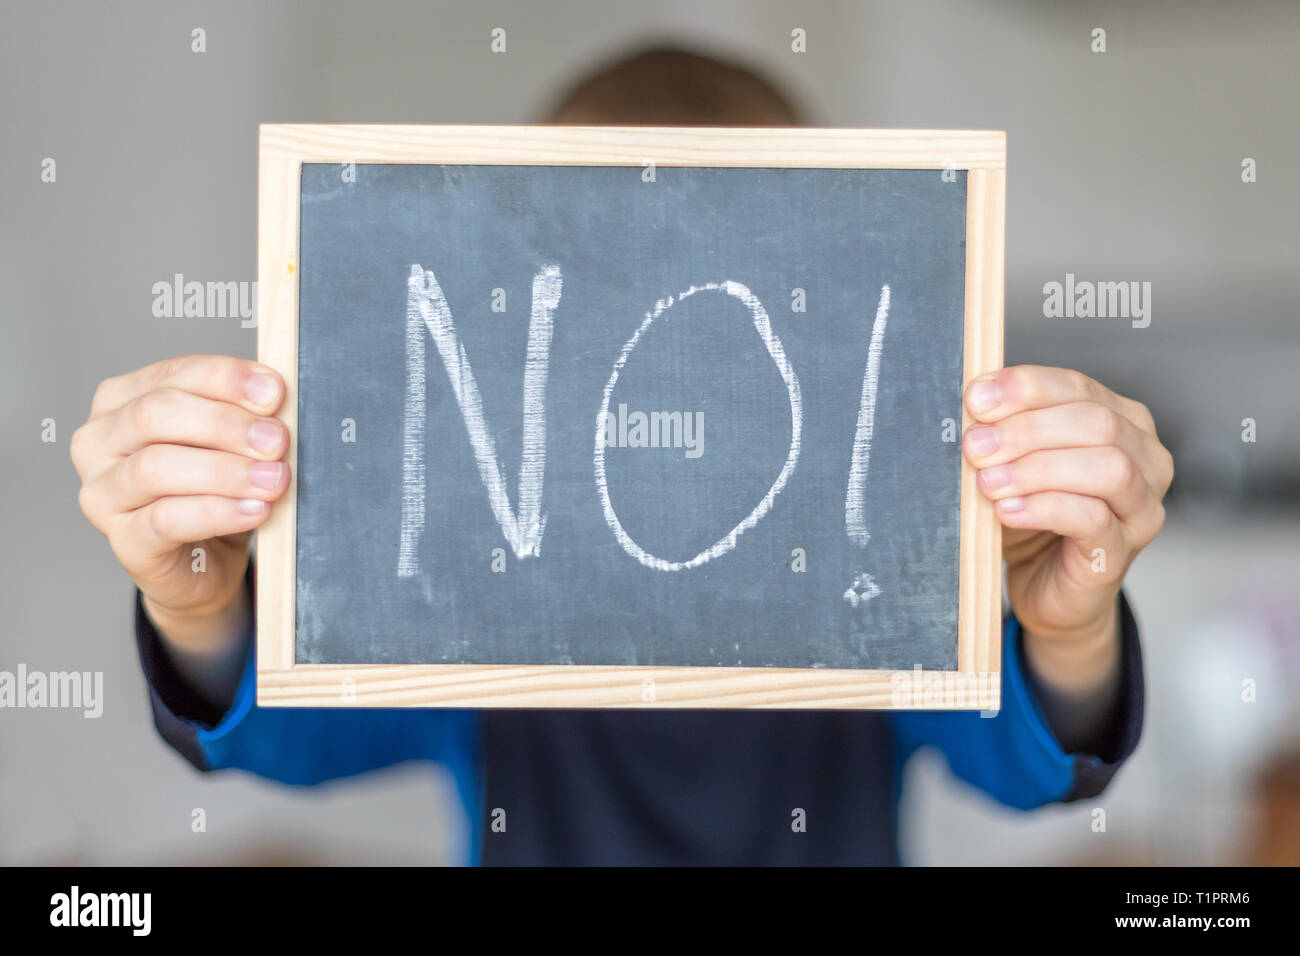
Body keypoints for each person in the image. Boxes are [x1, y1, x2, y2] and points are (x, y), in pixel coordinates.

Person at [71, 48, 1171, 865]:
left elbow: (1035, 761)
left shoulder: (868, 549)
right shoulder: (474, 567)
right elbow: (282, 734)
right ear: (540, 336)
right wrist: (200, 603)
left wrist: (1067, 624)